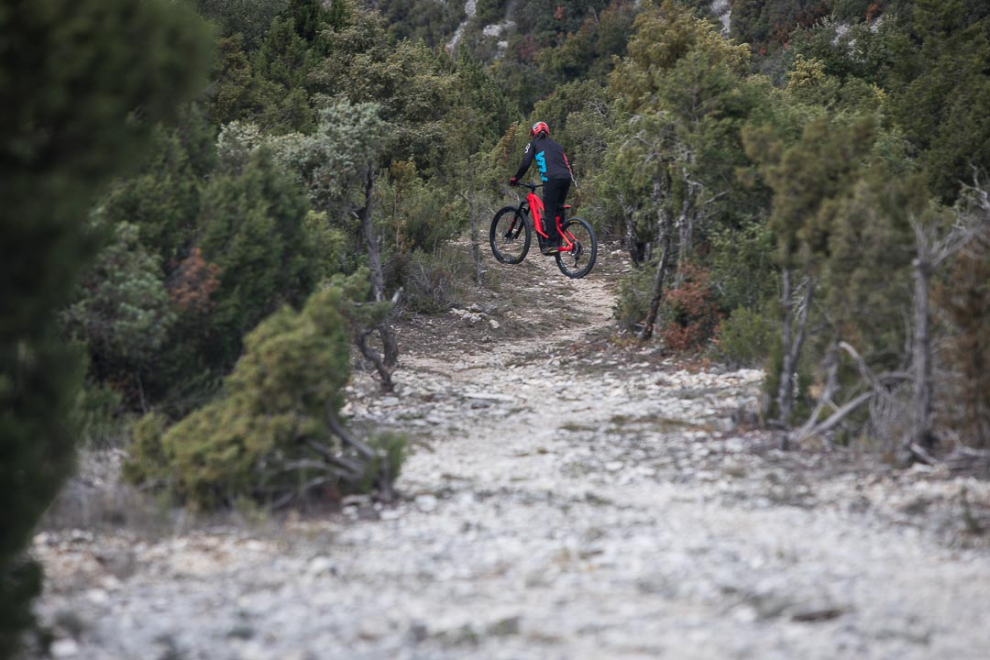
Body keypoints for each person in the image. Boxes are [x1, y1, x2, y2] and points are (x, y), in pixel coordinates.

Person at [509, 121, 575, 255]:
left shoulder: (533, 144)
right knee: (558, 209)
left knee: (549, 211)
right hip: (566, 178)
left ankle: (551, 244)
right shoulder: (557, 145)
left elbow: (525, 162)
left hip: (551, 179)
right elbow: (566, 163)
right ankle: (559, 239)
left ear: (534, 133)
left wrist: (516, 178)